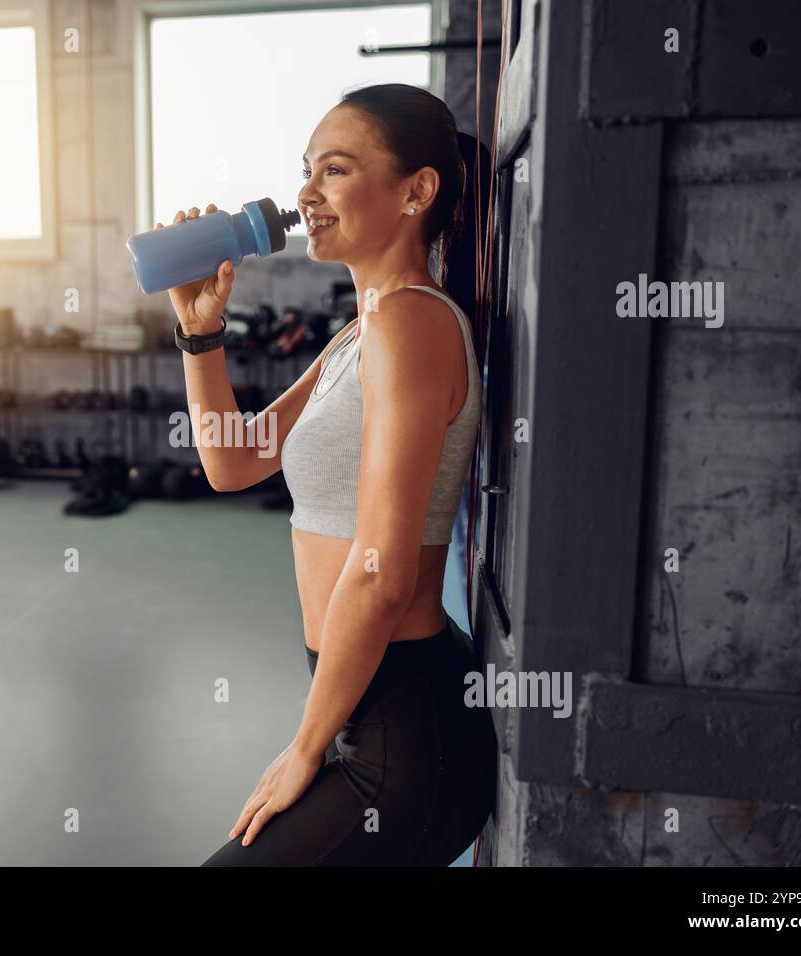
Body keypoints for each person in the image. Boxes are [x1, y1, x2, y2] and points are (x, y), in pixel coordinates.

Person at [163, 83, 497, 866]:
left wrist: (303, 747)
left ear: (417, 190)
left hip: (404, 739)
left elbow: (378, 574)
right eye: (306, 170)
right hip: (368, 710)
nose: (306, 194)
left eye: (335, 170)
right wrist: (198, 333)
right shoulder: (366, 328)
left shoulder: (411, 324)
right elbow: (232, 460)